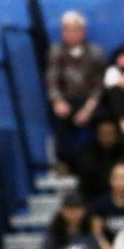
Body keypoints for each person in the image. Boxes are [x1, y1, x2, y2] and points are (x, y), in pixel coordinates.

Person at [47, 10, 107, 170]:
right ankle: (65, 164)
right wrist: (58, 101)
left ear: (83, 31)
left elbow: (99, 85)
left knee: (99, 118)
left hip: (89, 102)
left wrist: (88, 109)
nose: (72, 34)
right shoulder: (56, 51)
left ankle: (92, 162)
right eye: (67, 30)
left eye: (75, 29)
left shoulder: (95, 52)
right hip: (66, 100)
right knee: (58, 117)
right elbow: (52, 81)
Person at [76, 116, 124, 201]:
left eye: (110, 134)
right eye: (103, 133)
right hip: (95, 199)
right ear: (97, 135)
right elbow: (85, 186)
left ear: (117, 135)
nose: (107, 138)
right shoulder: (87, 155)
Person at [91, 162, 124, 249]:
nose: (120, 182)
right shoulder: (100, 204)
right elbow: (96, 231)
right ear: (111, 180)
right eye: (117, 178)